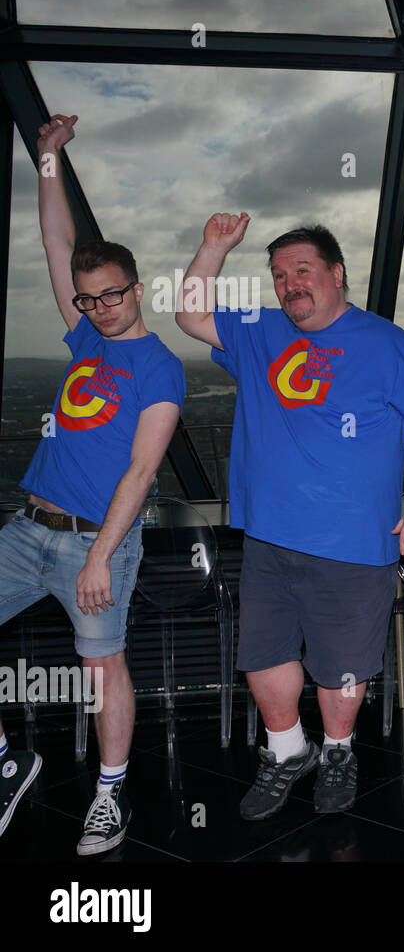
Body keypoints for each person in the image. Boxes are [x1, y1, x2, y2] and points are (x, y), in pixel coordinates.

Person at [176, 217, 404, 819]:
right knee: (264, 654)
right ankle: (285, 750)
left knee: (343, 666)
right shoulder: (260, 330)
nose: (288, 284)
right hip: (269, 538)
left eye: (302, 270)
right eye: (278, 275)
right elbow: (189, 315)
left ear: (336, 274)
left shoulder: (385, 343)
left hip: (355, 543)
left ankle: (337, 751)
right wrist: (215, 248)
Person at [0, 114, 183, 854]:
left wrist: (105, 554)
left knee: (103, 669)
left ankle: (111, 795)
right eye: (87, 299)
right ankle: (10, 762)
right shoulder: (85, 339)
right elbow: (54, 242)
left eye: (111, 295)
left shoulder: (160, 369)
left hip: (94, 545)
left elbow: (142, 470)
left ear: (137, 288)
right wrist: (47, 159)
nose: (99, 308)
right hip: (27, 527)